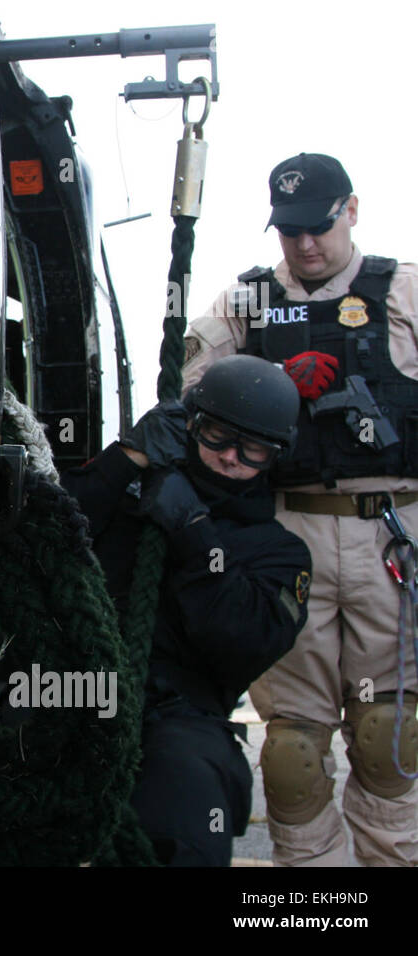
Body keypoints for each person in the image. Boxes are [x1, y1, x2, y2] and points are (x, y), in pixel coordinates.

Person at [182, 153, 418, 866]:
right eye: (289, 232)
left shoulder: (401, 290)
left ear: (351, 209)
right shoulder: (242, 305)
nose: (305, 245)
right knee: (291, 748)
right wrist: (264, 383)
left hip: (392, 530)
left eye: (318, 226)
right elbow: (190, 399)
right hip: (284, 533)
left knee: (390, 735)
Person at [62, 355, 311, 865]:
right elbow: (45, 536)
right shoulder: (129, 499)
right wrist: (124, 459)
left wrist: (193, 531)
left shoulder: (278, 552)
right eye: (217, 435)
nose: (229, 457)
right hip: (72, 689)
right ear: (190, 425)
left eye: (253, 449)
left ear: (275, 457)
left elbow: (241, 643)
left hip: (182, 715)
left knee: (185, 804)